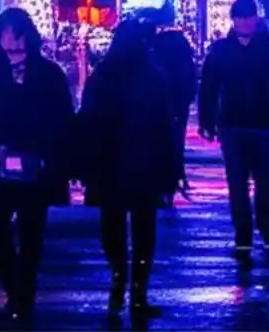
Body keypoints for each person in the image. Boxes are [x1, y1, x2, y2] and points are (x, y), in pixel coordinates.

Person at [0, 7, 76, 323]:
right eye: (5, 34)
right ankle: (14, 291)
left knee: (32, 236)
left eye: (16, 34)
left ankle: (23, 296)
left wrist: (51, 150)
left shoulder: (49, 73)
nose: (11, 41)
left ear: (28, 35)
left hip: (37, 166)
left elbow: (63, 117)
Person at [79, 20, 181, 319]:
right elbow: (166, 124)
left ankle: (118, 278)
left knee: (111, 224)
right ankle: (138, 290)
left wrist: (87, 163)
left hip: (109, 164)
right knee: (143, 229)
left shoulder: (102, 77)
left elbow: (89, 121)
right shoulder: (153, 77)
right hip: (144, 163)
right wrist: (171, 166)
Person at [198, 0, 269, 253]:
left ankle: (265, 225)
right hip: (232, 124)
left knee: (265, 181)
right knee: (237, 182)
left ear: (255, 18)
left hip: (263, 123)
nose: (244, 21)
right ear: (234, 19)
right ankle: (243, 232)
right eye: (240, 17)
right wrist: (206, 119)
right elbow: (208, 86)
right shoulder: (222, 50)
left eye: (248, 16)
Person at [154, 28, 198, 195]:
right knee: (178, 138)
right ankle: (178, 172)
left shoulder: (158, 56)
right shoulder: (184, 57)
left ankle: (168, 175)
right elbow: (191, 78)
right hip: (180, 102)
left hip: (164, 103)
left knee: (164, 138)